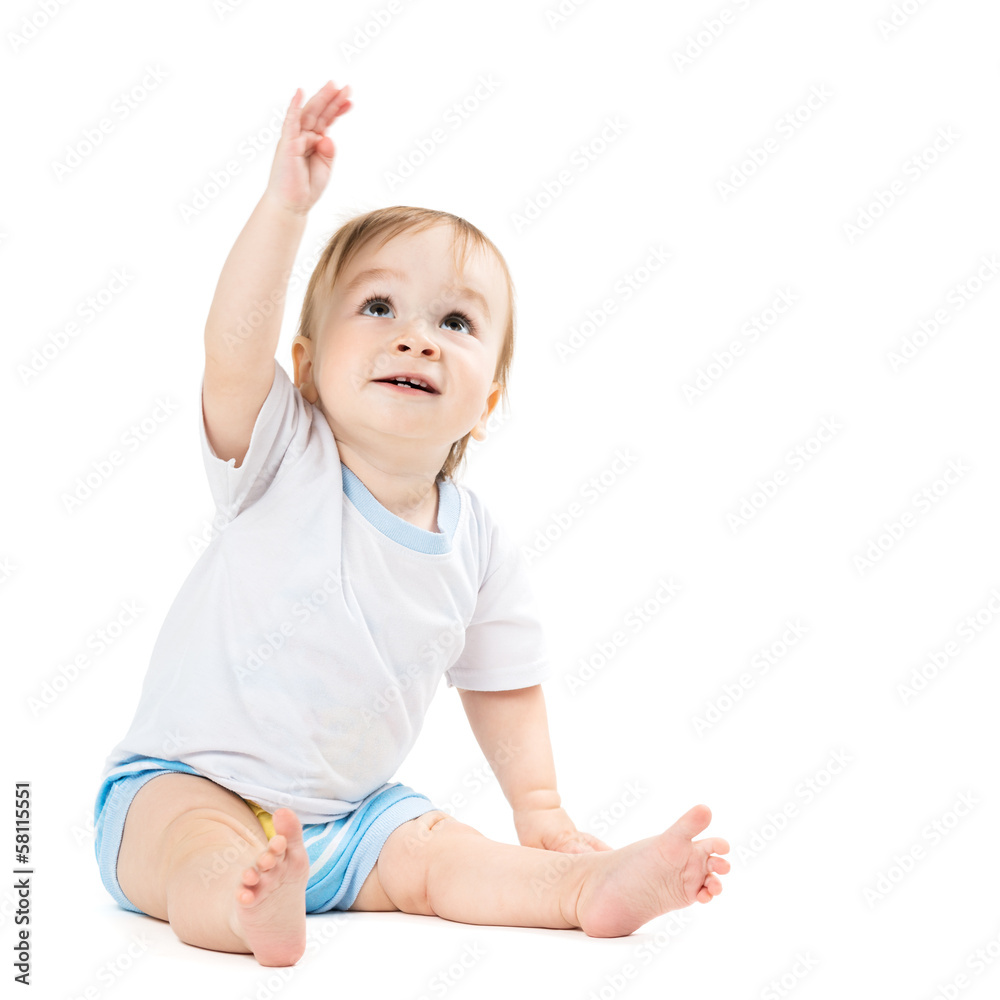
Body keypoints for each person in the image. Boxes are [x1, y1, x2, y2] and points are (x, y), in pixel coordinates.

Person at [92, 81, 730, 968]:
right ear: (307, 367)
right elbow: (233, 346)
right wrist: (285, 209)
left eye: (456, 322)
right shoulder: (278, 455)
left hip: (349, 821)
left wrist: (540, 810)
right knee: (199, 851)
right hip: (182, 784)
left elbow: (503, 681)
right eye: (379, 308)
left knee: (441, 854)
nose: (417, 338)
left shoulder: (477, 542)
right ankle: (247, 911)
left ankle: (586, 888)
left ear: (488, 400)